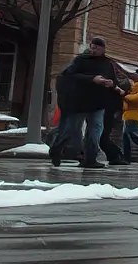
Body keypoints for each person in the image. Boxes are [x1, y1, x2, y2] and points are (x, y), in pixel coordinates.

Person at [51, 38, 120, 168]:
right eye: (92, 47)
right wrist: (92, 79)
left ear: (103, 49)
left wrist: (111, 83)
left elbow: (114, 80)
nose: (94, 50)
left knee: (95, 131)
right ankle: (56, 149)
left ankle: (90, 159)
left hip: (98, 103)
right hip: (80, 102)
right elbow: (69, 75)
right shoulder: (81, 60)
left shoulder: (108, 63)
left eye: (97, 48)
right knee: (71, 130)